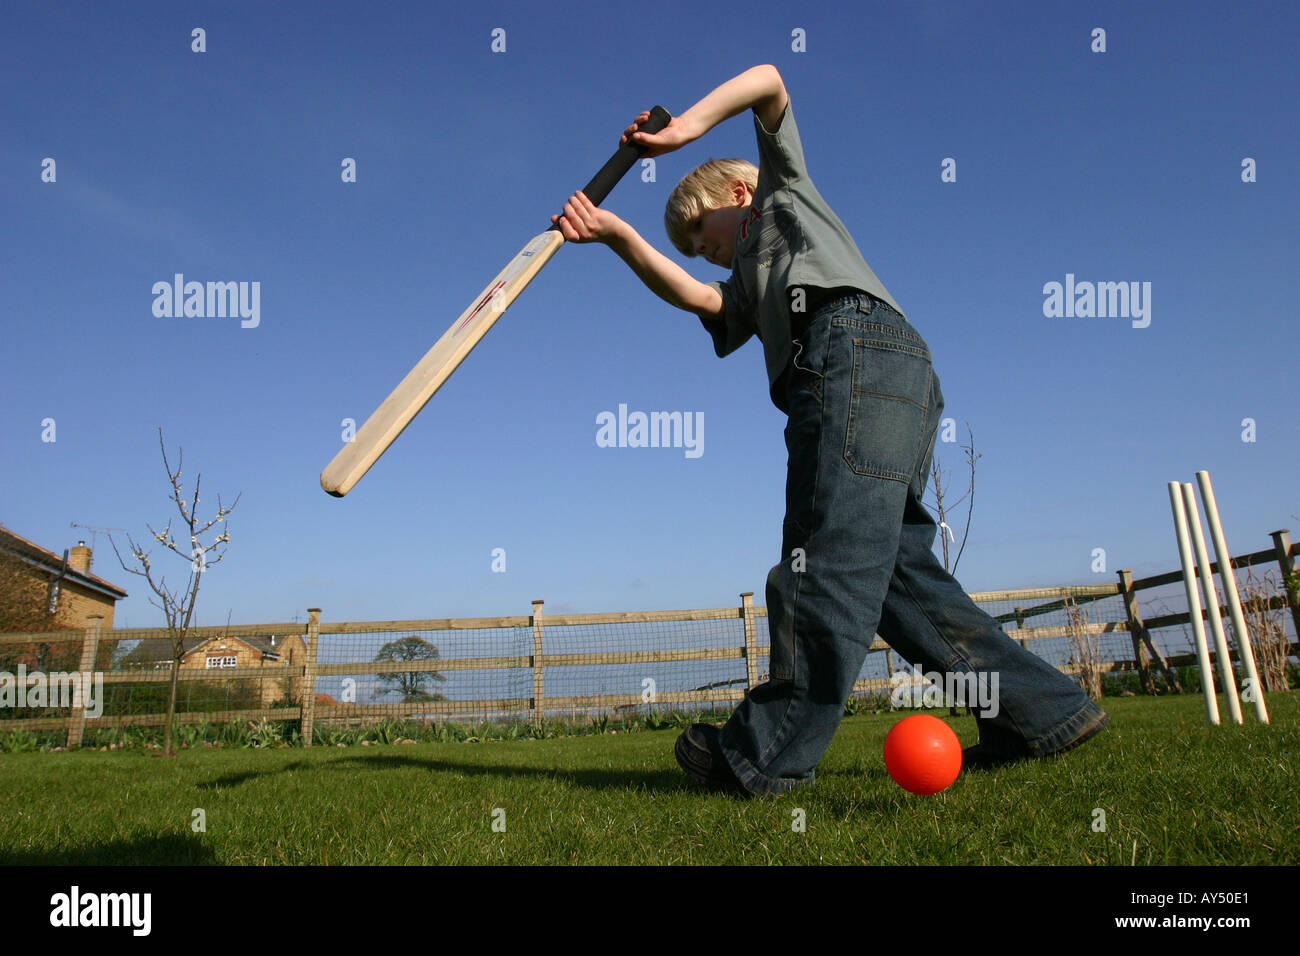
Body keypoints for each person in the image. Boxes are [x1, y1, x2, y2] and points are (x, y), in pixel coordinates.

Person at [552, 65, 1107, 796]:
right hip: (887, 375)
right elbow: (701, 302)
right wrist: (618, 235)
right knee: (898, 580)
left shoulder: (784, 197)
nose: (706, 255)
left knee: (826, 560)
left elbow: (769, 82)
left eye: (704, 235)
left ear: (738, 196)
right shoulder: (747, 285)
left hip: (850, 355)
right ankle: (1040, 713)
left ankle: (768, 750)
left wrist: (683, 129)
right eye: (699, 252)